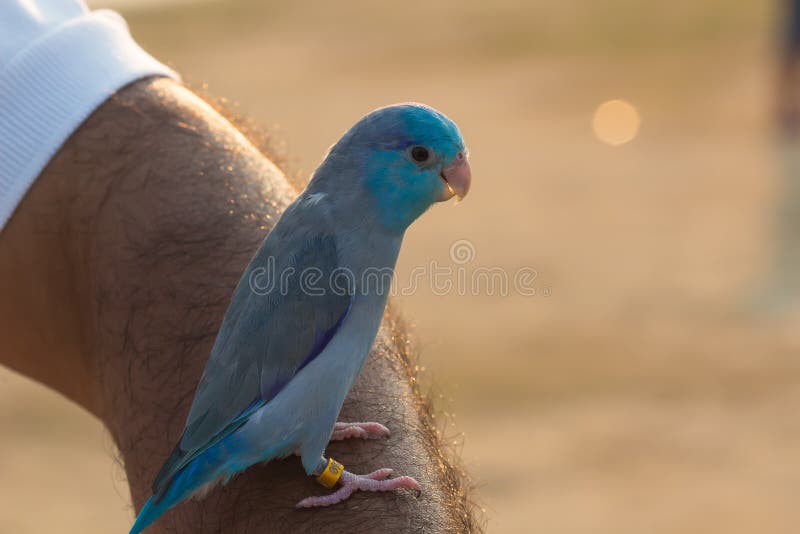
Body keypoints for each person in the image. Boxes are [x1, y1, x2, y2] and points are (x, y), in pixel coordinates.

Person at [0, 1, 476, 532]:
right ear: (372, 164)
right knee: (317, 460)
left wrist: (311, 419)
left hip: (258, 415)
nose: (454, 174)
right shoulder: (330, 243)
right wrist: (346, 477)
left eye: (451, 159)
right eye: (420, 157)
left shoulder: (344, 225)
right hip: (235, 427)